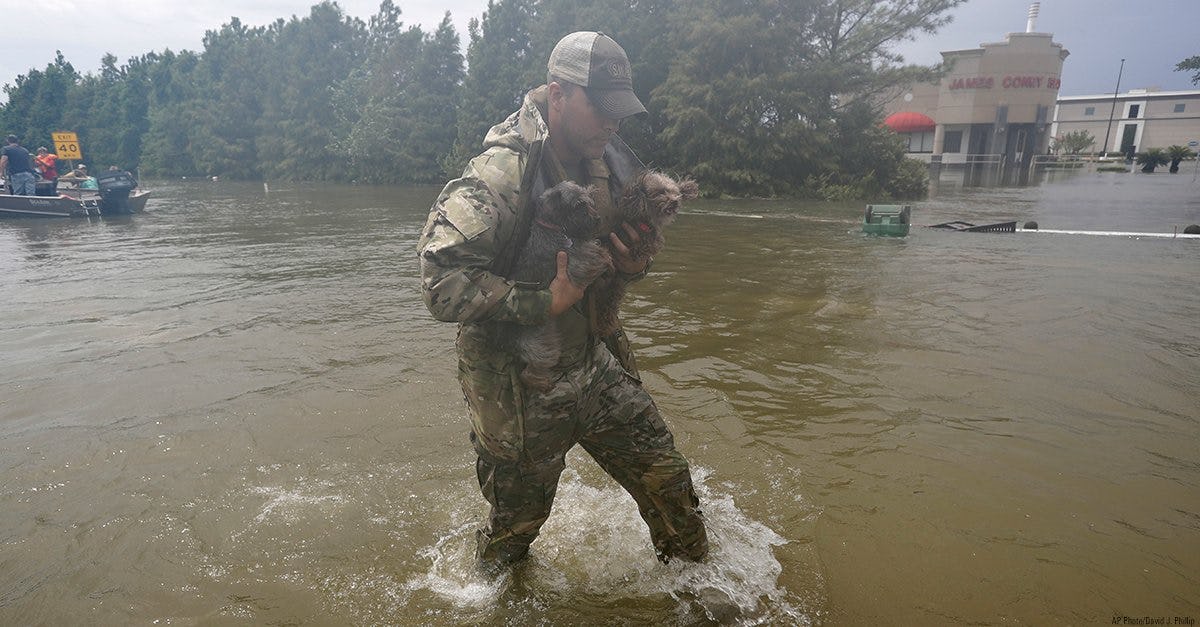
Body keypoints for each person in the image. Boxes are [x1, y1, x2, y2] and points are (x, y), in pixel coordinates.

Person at [417, 31, 709, 569]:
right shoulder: (500, 175)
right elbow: (440, 282)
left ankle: (701, 596)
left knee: (670, 486)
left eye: (619, 111)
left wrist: (633, 263)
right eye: (601, 109)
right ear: (558, 95)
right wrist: (542, 301)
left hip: (592, 362)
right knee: (513, 537)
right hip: (518, 383)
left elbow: (629, 254)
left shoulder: (611, 161)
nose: (613, 123)